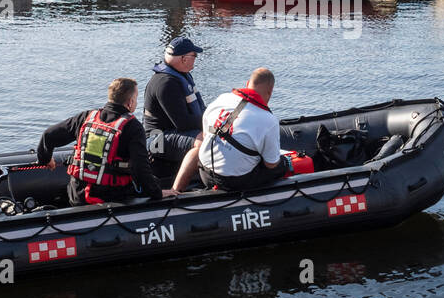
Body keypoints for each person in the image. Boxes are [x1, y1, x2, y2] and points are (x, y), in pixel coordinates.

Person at [35, 77, 173, 206]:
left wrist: (45, 159)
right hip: (111, 197)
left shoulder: (85, 118)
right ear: (130, 102)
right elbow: (140, 169)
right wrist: (158, 193)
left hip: (77, 195)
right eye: (136, 98)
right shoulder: (133, 127)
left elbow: (48, 135)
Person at [171, 67, 291, 194]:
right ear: (270, 92)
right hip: (235, 181)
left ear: (247, 84)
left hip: (205, 172)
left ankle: (176, 191)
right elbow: (270, 164)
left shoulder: (222, 98)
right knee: (282, 164)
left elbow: (207, 134)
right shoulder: (268, 120)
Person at [142, 36, 206, 181]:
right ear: (183, 59)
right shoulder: (166, 83)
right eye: (194, 56)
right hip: (156, 140)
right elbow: (183, 123)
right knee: (202, 141)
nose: (196, 59)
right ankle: (179, 186)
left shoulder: (181, 76)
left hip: (173, 132)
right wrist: (210, 122)